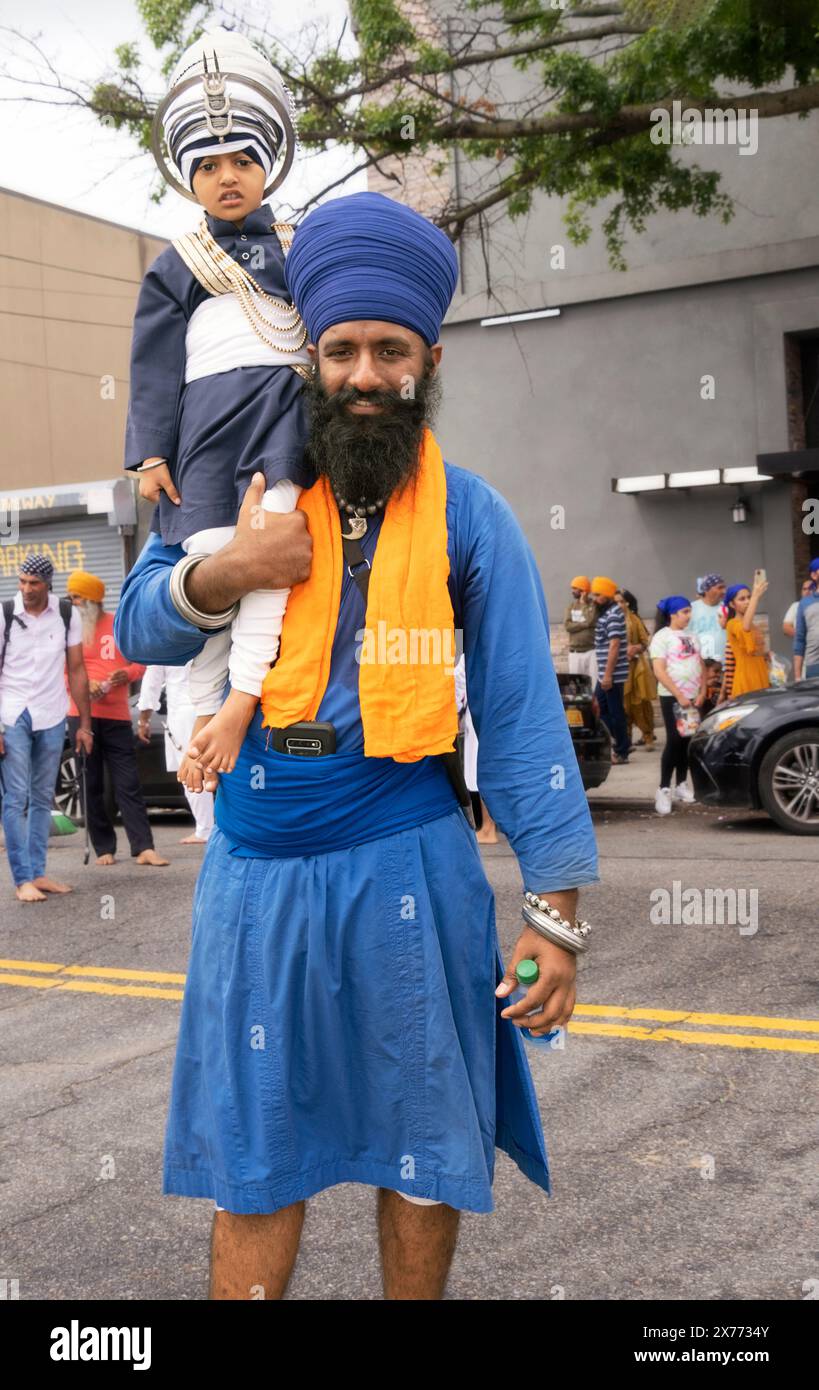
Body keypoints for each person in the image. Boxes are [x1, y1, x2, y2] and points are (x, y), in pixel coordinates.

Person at [114, 190, 599, 1301]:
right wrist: (231, 565)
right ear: (310, 361)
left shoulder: (471, 514)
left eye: (391, 350)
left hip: (410, 852)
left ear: (428, 358)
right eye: (341, 350)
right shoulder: (240, 483)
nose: (366, 375)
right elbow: (141, 617)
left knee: (427, 1154)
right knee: (256, 1163)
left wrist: (557, 912)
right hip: (260, 860)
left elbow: (522, 721)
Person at [125, 27, 315, 790]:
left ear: (265, 166)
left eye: (242, 160)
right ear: (188, 177)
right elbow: (153, 364)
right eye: (207, 165)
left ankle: (240, 697)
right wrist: (150, 451)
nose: (226, 177)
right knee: (211, 556)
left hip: (285, 415)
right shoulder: (176, 265)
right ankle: (202, 717)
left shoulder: (305, 246)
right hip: (206, 430)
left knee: (277, 545)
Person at [0, 555, 92, 902]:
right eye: (22, 582)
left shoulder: (67, 615)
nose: (26, 589)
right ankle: (21, 879)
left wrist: (85, 725)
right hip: (12, 714)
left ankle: (38, 873)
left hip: (52, 713)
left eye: (33, 583)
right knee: (15, 798)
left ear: (47, 583)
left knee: (42, 798)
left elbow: (78, 670)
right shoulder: (5, 613)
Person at [64, 571, 168, 868]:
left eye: (76, 597)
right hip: (81, 716)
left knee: (128, 782)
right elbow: (60, 674)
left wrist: (129, 673)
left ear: (93, 600)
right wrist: (85, 686)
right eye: (71, 597)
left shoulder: (118, 624)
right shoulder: (67, 630)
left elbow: (141, 662)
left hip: (117, 716)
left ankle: (144, 847)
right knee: (91, 782)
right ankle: (103, 847)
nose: (71, 602)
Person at [136, 664, 214, 844]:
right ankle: (215, 826)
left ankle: (204, 829)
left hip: (183, 712)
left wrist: (144, 719)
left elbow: (152, 682)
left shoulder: (164, 640)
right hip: (212, 708)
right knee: (216, 769)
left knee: (192, 773)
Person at [648, 596, 707, 816]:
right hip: (673, 697)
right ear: (672, 614)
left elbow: (700, 664)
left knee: (687, 741)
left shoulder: (693, 636)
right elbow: (659, 670)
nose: (688, 616)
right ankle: (664, 788)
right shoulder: (661, 638)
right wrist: (679, 695)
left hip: (693, 697)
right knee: (674, 740)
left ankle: (682, 783)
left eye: (689, 611)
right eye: (684, 612)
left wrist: (702, 691)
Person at [454, 653, 497, 843]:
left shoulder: (471, 650)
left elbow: (459, 680)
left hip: (480, 712)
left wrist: (456, 710)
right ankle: (489, 826)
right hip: (500, 711)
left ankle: (488, 828)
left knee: (479, 771)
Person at [590, 576, 630, 764]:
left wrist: (607, 675)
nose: (594, 598)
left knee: (615, 712)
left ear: (606, 595)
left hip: (611, 674)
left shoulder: (613, 614)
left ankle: (622, 750)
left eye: (598, 595)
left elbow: (614, 645)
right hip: (605, 673)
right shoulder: (606, 613)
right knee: (600, 708)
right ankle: (614, 743)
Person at [615, 589, 657, 748]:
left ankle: (648, 736)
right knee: (623, 703)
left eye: (621, 602)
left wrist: (635, 648)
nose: (618, 605)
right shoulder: (610, 620)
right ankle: (626, 739)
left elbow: (645, 641)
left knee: (639, 702)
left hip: (636, 667)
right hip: (618, 667)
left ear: (627, 603)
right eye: (616, 602)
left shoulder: (634, 620)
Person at [719, 579, 771, 702]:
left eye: (749, 597)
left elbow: (759, 651)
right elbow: (745, 627)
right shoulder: (732, 624)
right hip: (746, 680)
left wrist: (768, 655)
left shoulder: (755, 625)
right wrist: (755, 596)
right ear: (732, 604)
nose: (747, 601)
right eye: (742, 599)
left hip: (761, 675)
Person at [564, 576, 598, 681]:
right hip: (575, 653)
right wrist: (584, 624)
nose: (572, 591)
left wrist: (583, 603)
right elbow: (567, 626)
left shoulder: (594, 605)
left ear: (583, 590)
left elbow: (590, 620)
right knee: (577, 685)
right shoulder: (571, 606)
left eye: (575, 588)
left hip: (591, 652)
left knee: (594, 684)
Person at [688, 573, 727, 662]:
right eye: (720, 587)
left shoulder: (727, 608)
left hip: (726, 664)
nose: (724, 591)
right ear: (707, 589)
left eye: (724, 587)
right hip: (700, 665)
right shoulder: (690, 609)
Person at [793, 558, 819, 680]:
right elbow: (799, 640)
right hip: (814, 667)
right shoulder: (805, 603)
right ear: (814, 575)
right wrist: (798, 677)